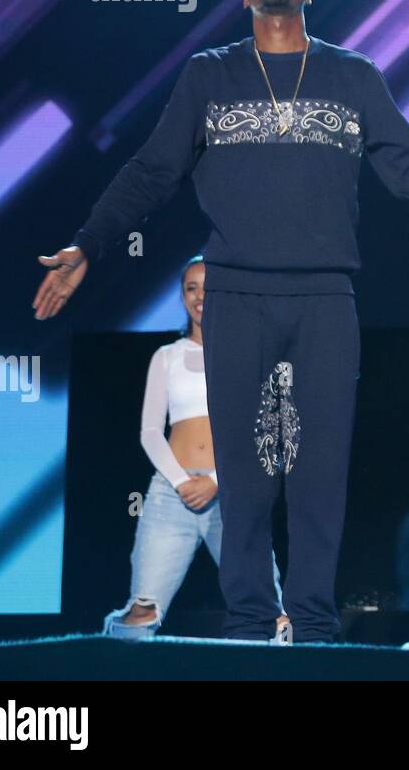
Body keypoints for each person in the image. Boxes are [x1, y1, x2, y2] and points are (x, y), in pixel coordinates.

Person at [34, 0, 409, 644]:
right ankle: (252, 620)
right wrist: (89, 243)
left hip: (324, 295)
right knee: (244, 476)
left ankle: (311, 622)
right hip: (237, 292)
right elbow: (151, 170)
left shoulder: (352, 75)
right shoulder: (209, 74)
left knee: (320, 469)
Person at [103, 256, 287, 640]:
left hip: (233, 493)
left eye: (209, 287)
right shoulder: (166, 357)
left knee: (268, 609)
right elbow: (151, 431)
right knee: (142, 609)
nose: (201, 296)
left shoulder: (250, 353)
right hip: (172, 495)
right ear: (183, 297)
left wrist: (218, 481)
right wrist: (182, 482)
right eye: (191, 288)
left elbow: (265, 429)